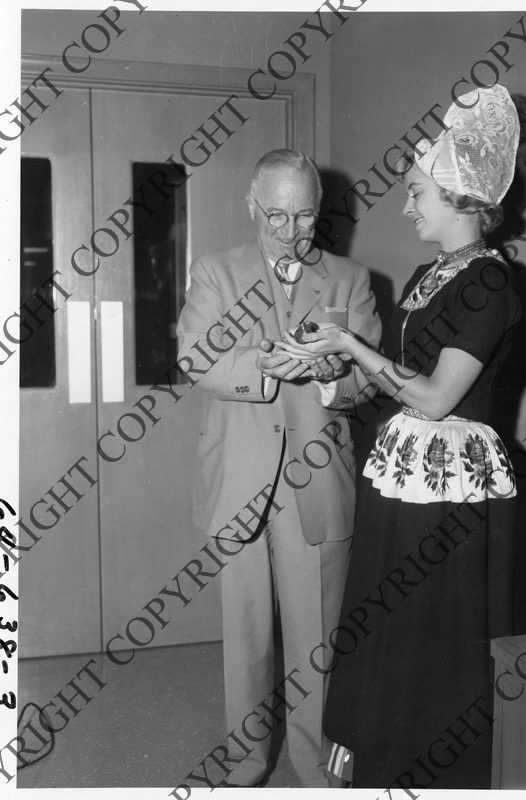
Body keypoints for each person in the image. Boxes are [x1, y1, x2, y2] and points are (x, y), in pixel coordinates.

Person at [277, 85, 522, 789]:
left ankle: (436, 770)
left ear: (459, 201)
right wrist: (332, 362)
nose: (407, 206)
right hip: (403, 472)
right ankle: (381, 760)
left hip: (452, 487)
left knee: (432, 626)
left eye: (418, 194)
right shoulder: (428, 275)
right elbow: (400, 382)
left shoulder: (490, 283)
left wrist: (353, 345)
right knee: (386, 611)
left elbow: (440, 398)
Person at [176, 149, 382, 788]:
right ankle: (244, 764)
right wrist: (262, 366)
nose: (292, 231)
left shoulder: (351, 278)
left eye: (305, 216)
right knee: (245, 641)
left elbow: (366, 381)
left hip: (316, 483)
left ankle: (315, 768)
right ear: (250, 206)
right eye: (276, 216)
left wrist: (331, 379)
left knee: (317, 643)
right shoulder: (214, 273)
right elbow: (195, 358)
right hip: (238, 476)